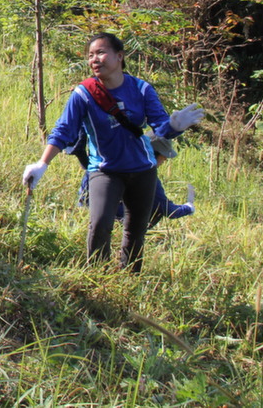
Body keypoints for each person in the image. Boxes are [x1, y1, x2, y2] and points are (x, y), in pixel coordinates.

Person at [21, 32, 204, 273]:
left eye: (100, 52)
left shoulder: (141, 89)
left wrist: (174, 126)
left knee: (136, 229)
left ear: (119, 56)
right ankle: (96, 277)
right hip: (105, 170)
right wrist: (42, 163)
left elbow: (160, 126)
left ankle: (131, 278)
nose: (94, 59)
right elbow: (63, 130)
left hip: (142, 169)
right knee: (100, 224)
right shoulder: (84, 93)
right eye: (90, 55)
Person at [76, 133, 195, 228]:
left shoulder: (112, 156)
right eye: (164, 158)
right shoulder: (146, 173)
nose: (164, 161)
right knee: (155, 210)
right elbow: (167, 210)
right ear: (154, 154)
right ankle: (133, 238)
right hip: (107, 216)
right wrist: (188, 207)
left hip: (86, 208)